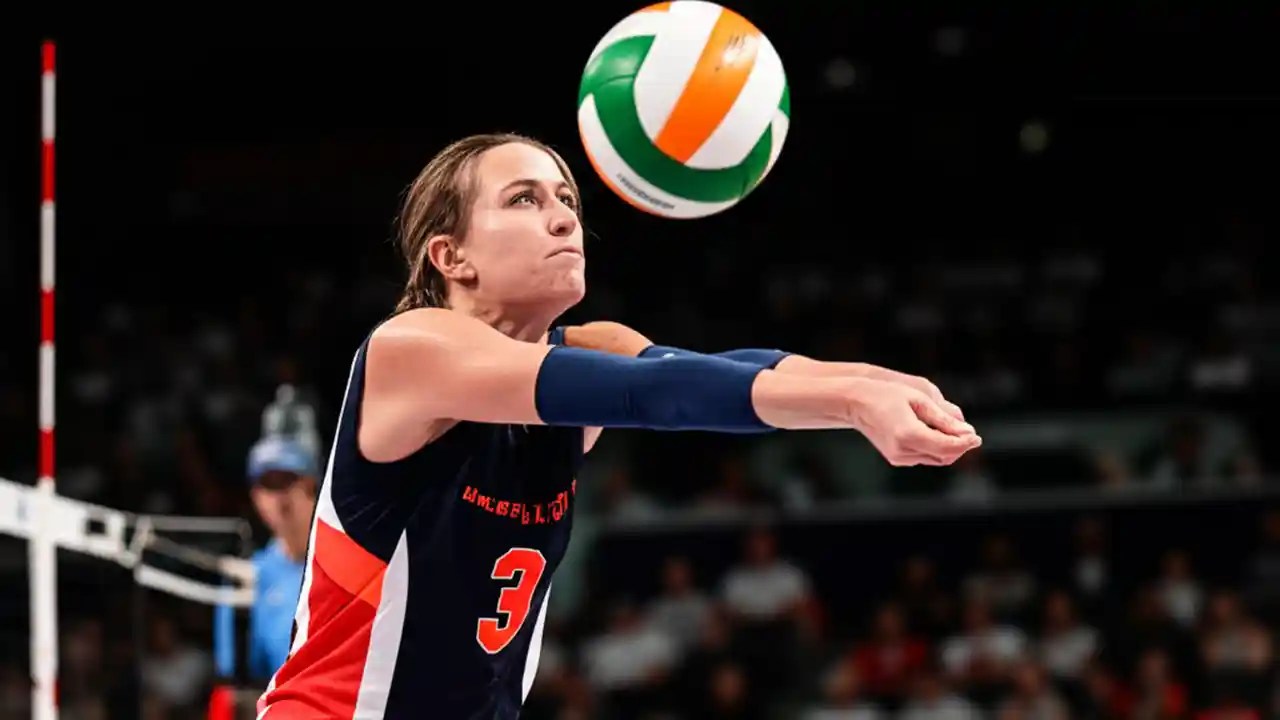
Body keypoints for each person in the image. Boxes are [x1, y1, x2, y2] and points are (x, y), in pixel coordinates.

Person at [256, 132, 980, 719]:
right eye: (524, 199)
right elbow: (656, 393)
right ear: (452, 257)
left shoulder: (588, 347)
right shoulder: (412, 350)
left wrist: (875, 381)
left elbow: (716, 370)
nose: (566, 217)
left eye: (566, 198)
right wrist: (852, 402)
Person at [245, 435, 317, 679]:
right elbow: (239, 679)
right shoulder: (248, 576)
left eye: (286, 481)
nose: (279, 498)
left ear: (310, 486)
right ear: (256, 497)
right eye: (269, 484)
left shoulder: (346, 559)